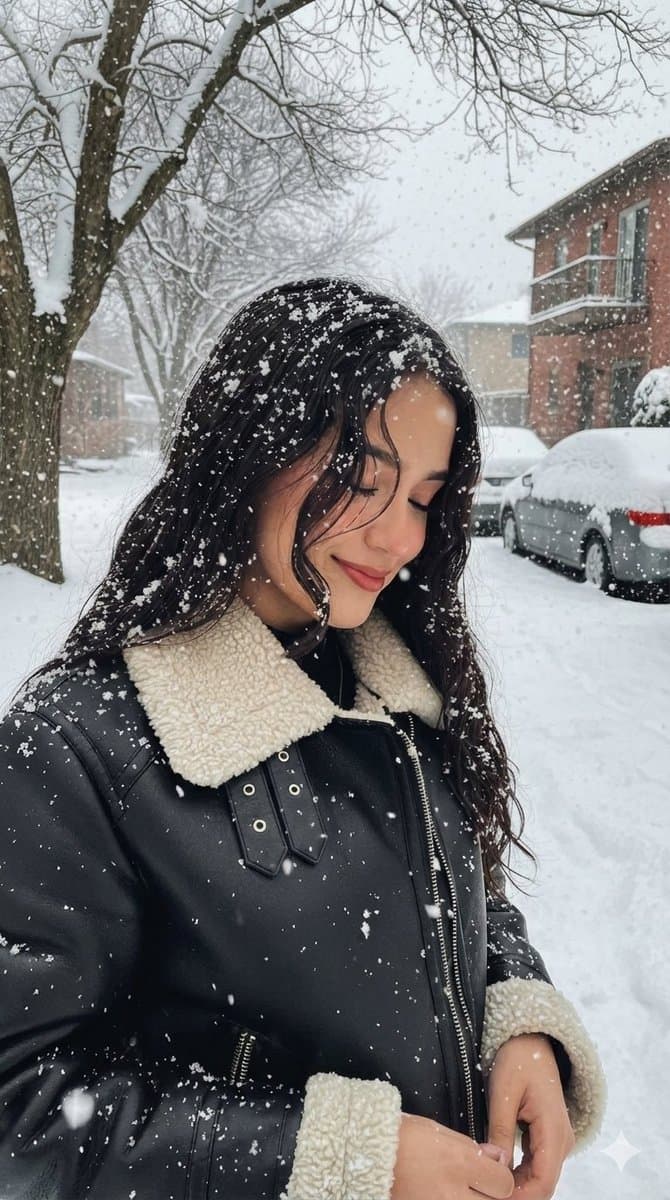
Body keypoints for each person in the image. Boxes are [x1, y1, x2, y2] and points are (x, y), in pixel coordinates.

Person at [0, 276, 605, 1200]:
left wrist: (515, 1015)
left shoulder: (397, 691)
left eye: (424, 498)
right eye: (363, 482)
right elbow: (24, 1117)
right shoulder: (78, 747)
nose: (400, 538)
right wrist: (339, 1162)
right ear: (247, 455)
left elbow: (446, 900)